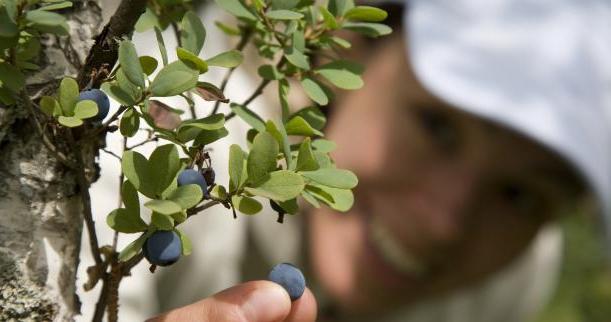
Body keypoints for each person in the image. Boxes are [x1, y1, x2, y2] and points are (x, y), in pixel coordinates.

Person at [83, 0, 611, 321]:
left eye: (518, 195)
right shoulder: (155, 147)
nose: (441, 225)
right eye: (438, 127)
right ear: (348, 47)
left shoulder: (511, 280)